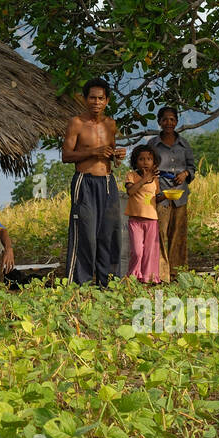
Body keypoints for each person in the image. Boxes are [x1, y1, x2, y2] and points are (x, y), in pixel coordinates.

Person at [62, 77, 128, 285]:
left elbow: (110, 157)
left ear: (107, 100)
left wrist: (117, 156)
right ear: (85, 99)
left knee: (109, 233)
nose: (96, 102)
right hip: (85, 182)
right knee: (86, 233)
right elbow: (66, 156)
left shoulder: (110, 124)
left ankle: (107, 280)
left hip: (108, 182)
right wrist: (93, 152)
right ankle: (79, 282)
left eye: (100, 98)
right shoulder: (77, 123)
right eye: (92, 98)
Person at [147, 107, 197, 281]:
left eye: (172, 119)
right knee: (158, 235)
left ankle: (177, 273)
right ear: (159, 122)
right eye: (165, 119)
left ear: (177, 122)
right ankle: (159, 273)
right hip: (160, 197)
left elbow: (192, 168)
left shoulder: (184, 144)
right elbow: (145, 168)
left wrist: (185, 174)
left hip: (180, 196)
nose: (169, 123)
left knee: (178, 235)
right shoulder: (152, 145)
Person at [124, 144, 163, 283]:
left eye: (149, 159)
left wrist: (167, 196)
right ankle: (133, 277)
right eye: (141, 159)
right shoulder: (131, 176)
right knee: (137, 251)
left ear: (154, 163)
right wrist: (145, 179)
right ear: (135, 161)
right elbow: (131, 191)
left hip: (152, 219)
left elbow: (156, 198)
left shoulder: (155, 180)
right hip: (135, 220)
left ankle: (148, 278)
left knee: (150, 252)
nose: (145, 162)